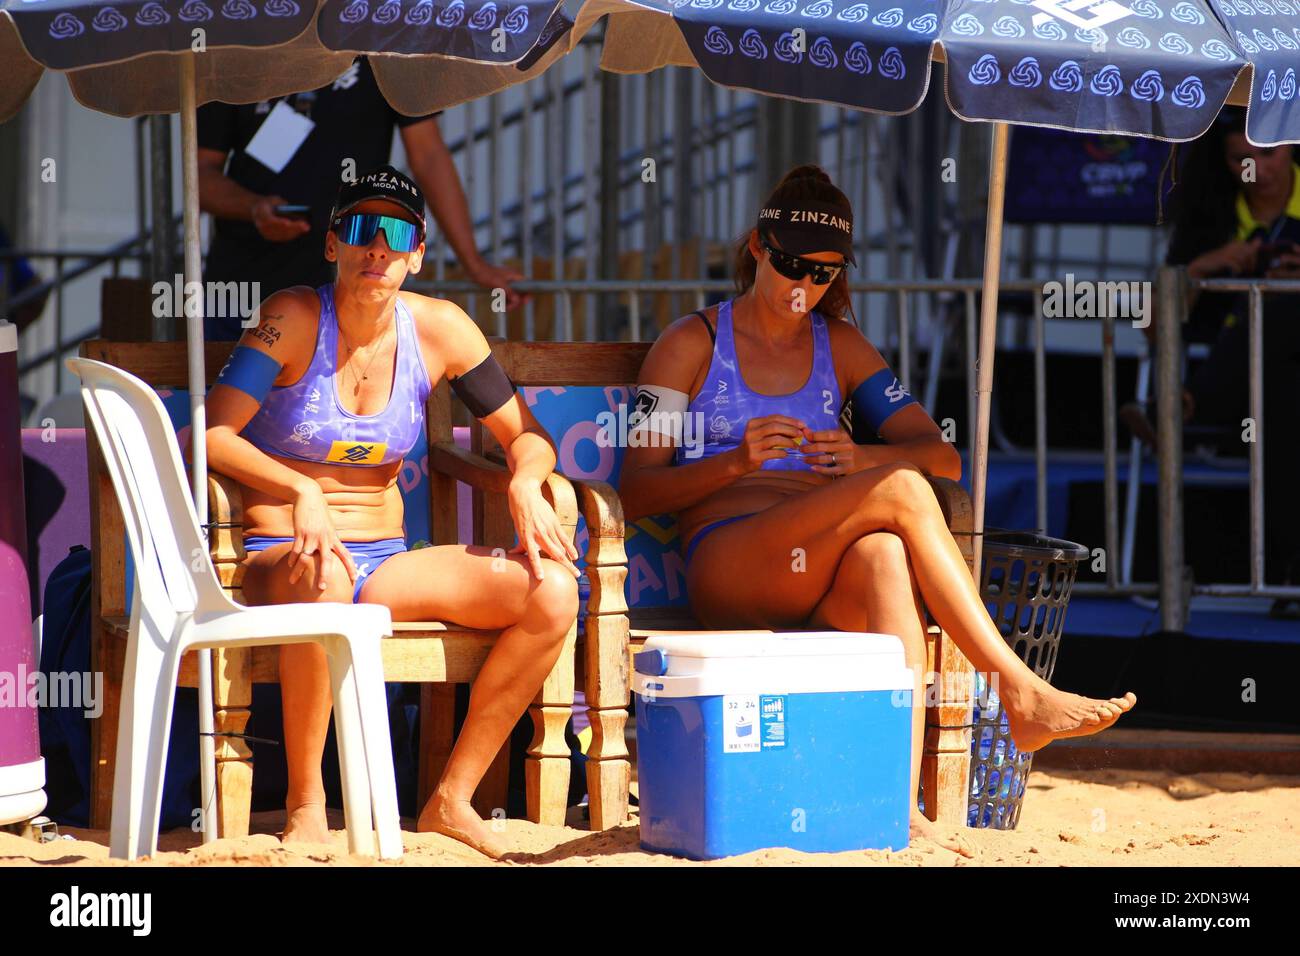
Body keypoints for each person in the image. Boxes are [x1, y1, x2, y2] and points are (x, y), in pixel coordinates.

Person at [619, 165, 1137, 854]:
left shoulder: (844, 348)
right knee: (900, 493)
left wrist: (860, 459)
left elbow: (942, 457)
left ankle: (899, 806)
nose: (804, 287)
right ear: (755, 248)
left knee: (886, 553)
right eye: (791, 266)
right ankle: (1015, 689)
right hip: (731, 561)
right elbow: (635, 491)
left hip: (820, 565)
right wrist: (735, 463)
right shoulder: (693, 343)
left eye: (825, 274)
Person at [203, 165, 579, 859]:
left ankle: (450, 798)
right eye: (361, 229)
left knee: (553, 593)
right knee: (325, 580)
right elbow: (212, 433)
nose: (378, 247)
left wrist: (527, 479)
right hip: (281, 558)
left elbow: (527, 435)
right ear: (333, 245)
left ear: (417, 254)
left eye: (396, 232)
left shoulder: (442, 330)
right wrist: (301, 491)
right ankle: (307, 804)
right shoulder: (290, 317)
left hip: (382, 562)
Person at [198, 55, 524, 340]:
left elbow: (428, 155)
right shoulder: (237, 46)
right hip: (243, 280)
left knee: (341, 402)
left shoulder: (382, 40)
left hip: (351, 275)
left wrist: (474, 263)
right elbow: (198, 175)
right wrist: (253, 208)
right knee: (234, 399)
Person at [1129, 108, 1300, 606]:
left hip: (1224, 384)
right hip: (1260, 385)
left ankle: (1181, 409)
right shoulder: (1209, 217)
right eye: (1238, 159)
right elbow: (1152, 324)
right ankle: (1289, 575)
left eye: (1267, 154)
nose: (1257, 171)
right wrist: (1207, 269)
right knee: (1286, 403)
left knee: (1282, 306)